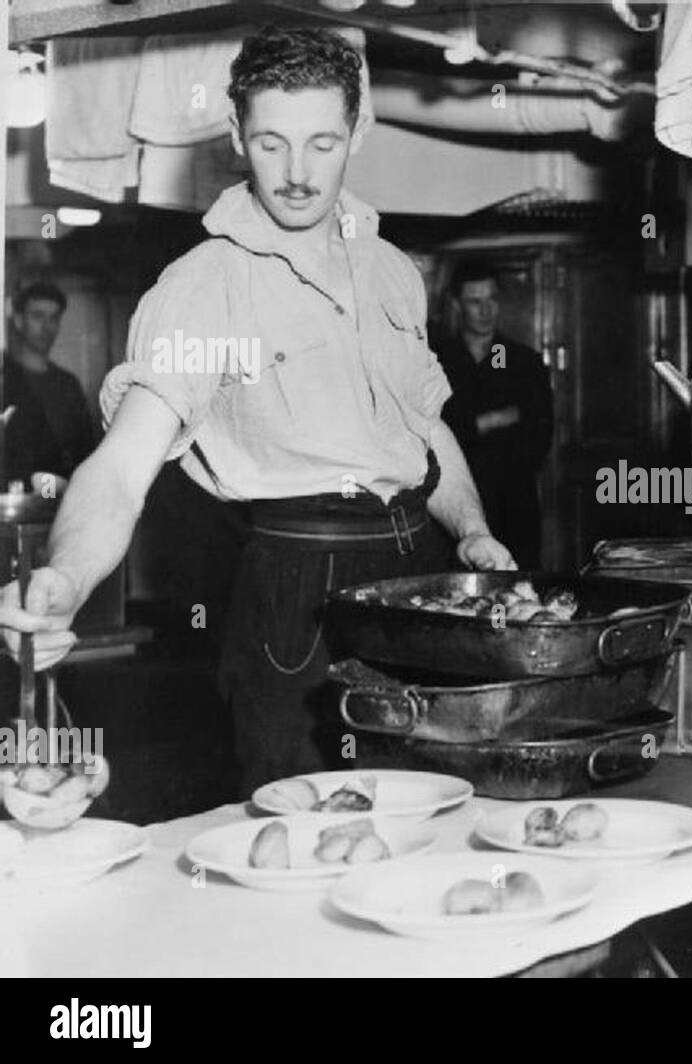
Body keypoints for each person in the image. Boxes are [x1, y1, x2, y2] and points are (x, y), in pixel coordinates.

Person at [0, 27, 513, 792]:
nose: (298, 175)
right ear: (237, 135)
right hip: (298, 598)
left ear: (359, 131)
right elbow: (122, 466)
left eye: (321, 143)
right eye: (272, 144)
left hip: (421, 583)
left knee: (436, 821)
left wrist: (472, 532)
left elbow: (425, 427)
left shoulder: (391, 270)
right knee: (306, 844)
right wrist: (66, 581)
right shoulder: (204, 287)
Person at [437, 262, 554, 569]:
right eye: (475, 301)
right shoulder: (438, 360)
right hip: (453, 508)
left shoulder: (523, 362)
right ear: (456, 304)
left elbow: (540, 436)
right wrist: (493, 420)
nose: (486, 310)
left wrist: (469, 427)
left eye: (492, 299)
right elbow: (434, 431)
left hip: (514, 504)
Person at [2, 282, 99, 488]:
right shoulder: (6, 377)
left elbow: (85, 451)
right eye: (37, 316)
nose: (46, 327)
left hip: (54, 499)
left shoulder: (67, 384)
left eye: (53, 318)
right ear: (19, 321)